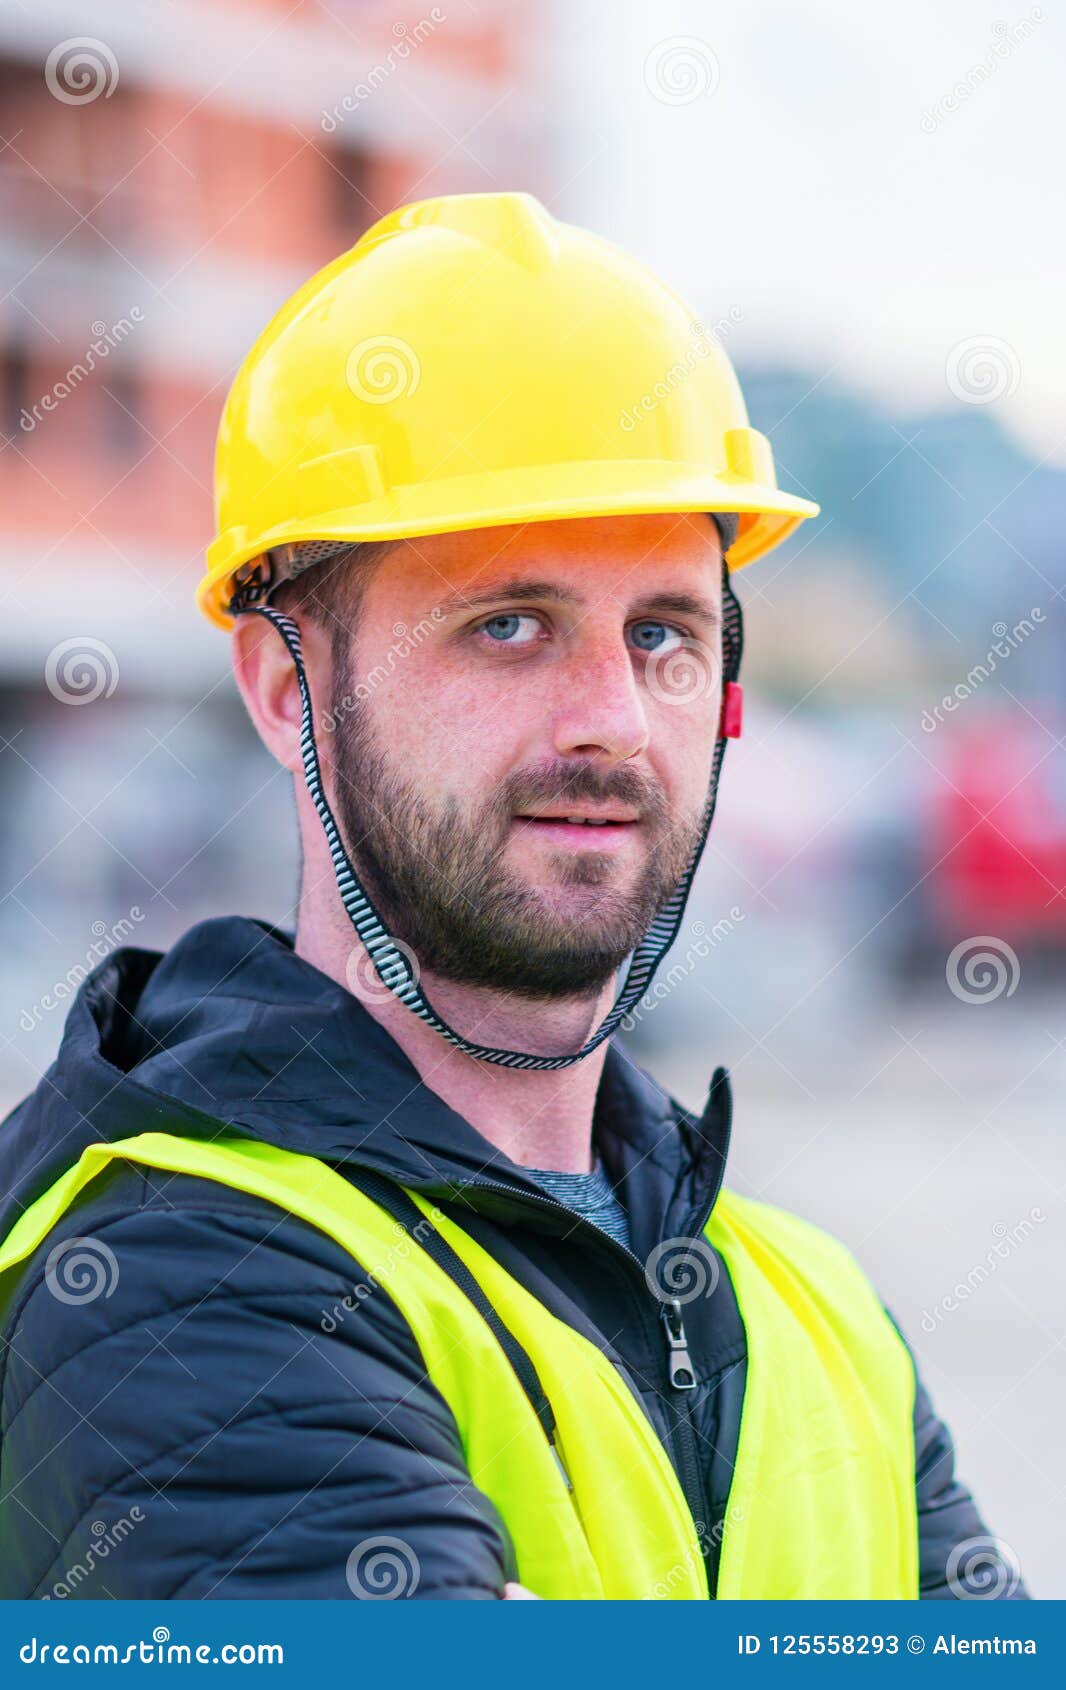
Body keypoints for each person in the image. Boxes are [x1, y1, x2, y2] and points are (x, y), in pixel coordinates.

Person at [0, 193, 1026, 1601]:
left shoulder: (815, 1307)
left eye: (660, 631)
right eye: (509, 625)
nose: (609, 719)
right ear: (288, 686)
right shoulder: (166, 1285)